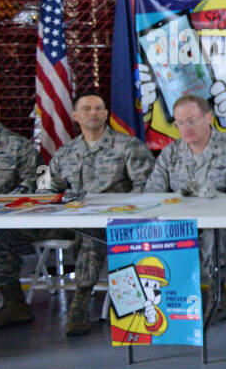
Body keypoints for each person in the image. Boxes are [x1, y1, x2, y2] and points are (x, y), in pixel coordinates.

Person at [43, 92, 155, 336]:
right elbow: (49, 188)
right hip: (72, 221)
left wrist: (127, 209)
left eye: (98, 108)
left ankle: (80, 305)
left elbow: (146, 186)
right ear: (75, 116)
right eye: (86, 109)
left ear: (106, 114)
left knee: (92, 237)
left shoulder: (128, 146)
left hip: (116, 222)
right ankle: (12, 300)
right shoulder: (66, 152)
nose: (92, 113)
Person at [144, 93, 226, 286]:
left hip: (223, 222)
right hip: (180, 222)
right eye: (179, 123)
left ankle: (214, 294)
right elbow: (153, 194)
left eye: (191, 121)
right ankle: (169, 295)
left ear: (208, 117)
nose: (185, 128)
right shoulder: (170, 153)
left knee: (214, 236)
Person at [0, 98, 42, 328]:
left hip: (15, 221)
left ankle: (15, 303)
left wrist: (9, 202)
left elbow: (35, 182)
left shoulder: (17, 146)